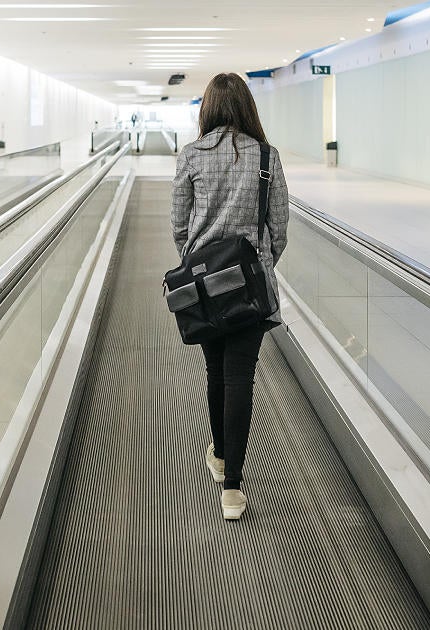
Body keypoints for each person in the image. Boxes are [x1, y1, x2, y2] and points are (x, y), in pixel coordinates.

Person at [170, 73, 289, 520]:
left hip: (204, 289)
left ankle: (219, 457)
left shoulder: (191, 155)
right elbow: (279, 227)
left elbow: (178, 225)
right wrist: (260, 267)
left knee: (215, 372)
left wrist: (196, 264)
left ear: (208, 109)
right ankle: (233, 490)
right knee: (241, 377)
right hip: (250, 286)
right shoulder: (266, 156)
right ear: (247, 107)